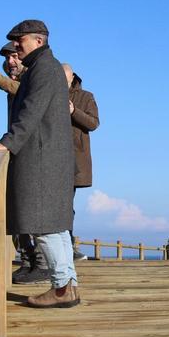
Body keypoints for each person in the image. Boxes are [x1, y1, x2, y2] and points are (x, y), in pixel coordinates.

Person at [0, 20, 79, 308]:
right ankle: (68, 285)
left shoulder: (43, 69)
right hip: (49, 157)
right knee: (56, 226)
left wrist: (8, 141)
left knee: (44, 225)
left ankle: (62, 289)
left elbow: (31, 112)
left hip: (42, 159)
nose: (16, 45)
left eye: (21, 40)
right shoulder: (46, 67)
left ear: (38, 41)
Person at [0, 43, 49, 284]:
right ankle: (28, 261)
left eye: (15, 56)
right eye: (7, 58)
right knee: (17, 210)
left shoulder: (33, 78)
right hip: (20, 150)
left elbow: (19, 91)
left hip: (35, 153)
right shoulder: (19, 79)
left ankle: (41, 265)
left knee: (33, 209)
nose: (10, 61)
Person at [64, 64, 100, 260]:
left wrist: (73, 111)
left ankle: (68, 247)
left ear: (72, 78)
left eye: (65, 77)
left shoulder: (86, 96)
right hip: (49, 158)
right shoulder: (49, 93)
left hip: (74, 160)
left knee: (66, 205)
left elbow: (93, 123)